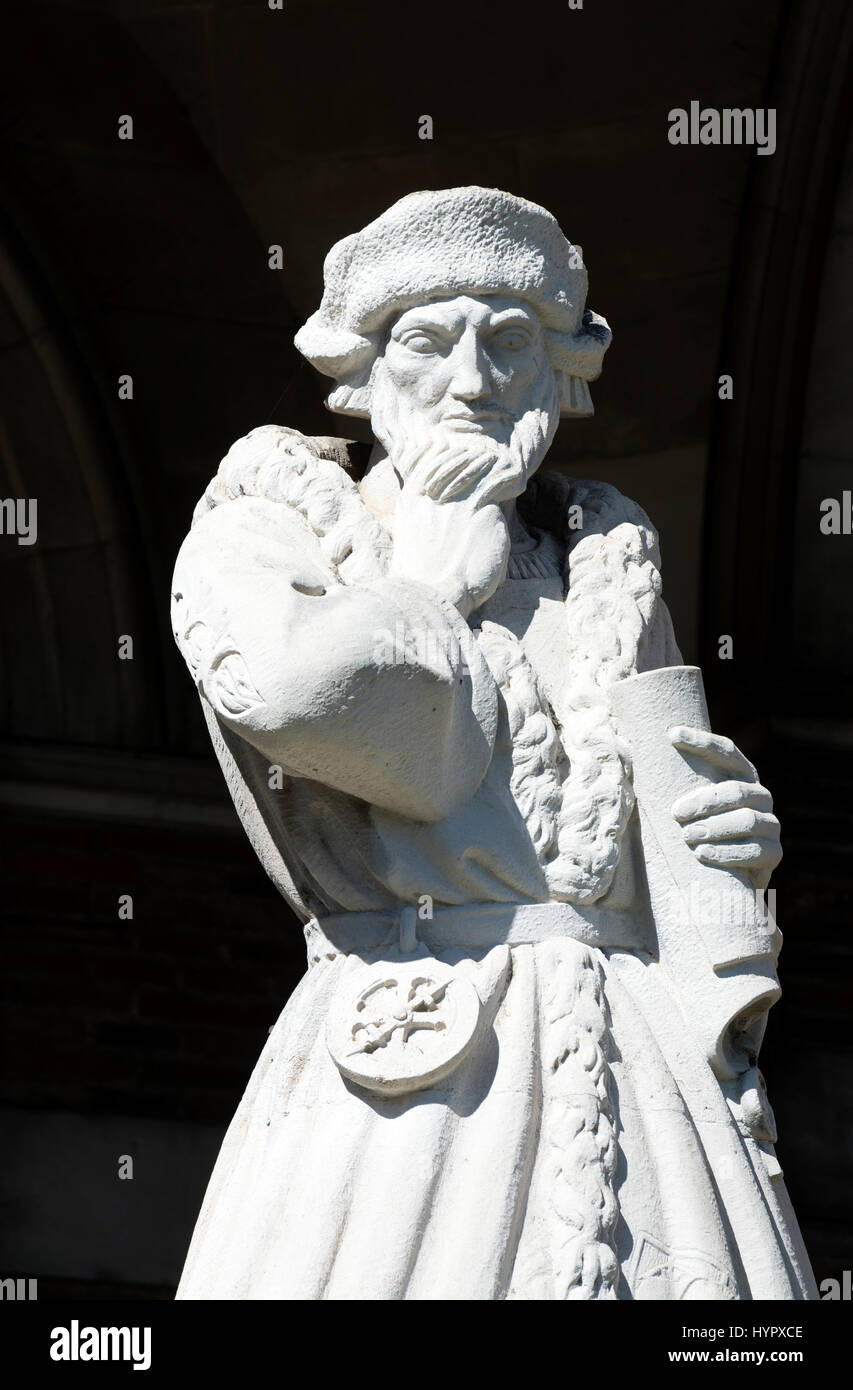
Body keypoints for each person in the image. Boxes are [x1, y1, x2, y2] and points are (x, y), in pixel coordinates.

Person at [171, 187, 816, 1299]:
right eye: (428, 341)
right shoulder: (272, 523)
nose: (472, 382)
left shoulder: (605, 561)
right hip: (415, 1066)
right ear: (364, 372)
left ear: (557, 378)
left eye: (510, 345)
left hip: (639, 1060)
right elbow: (320, 711)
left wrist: (724, 843)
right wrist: (431, 583)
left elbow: (658, 845)